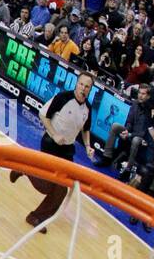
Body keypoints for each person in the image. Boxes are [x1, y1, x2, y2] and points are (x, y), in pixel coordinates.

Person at [9, 73, 96, 231]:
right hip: (51, 142)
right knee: (47, 185)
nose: (83, 88)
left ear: (90, 89)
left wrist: (88, 146)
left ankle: (36, 217)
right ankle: (24, 168)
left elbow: (86, 129)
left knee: (61, 190)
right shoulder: (63, 98)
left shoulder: (87, 109)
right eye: (81, 84)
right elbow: (43, 115)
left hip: (67, 149)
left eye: (87, 86)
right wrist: (55, 134)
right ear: (76, 84)